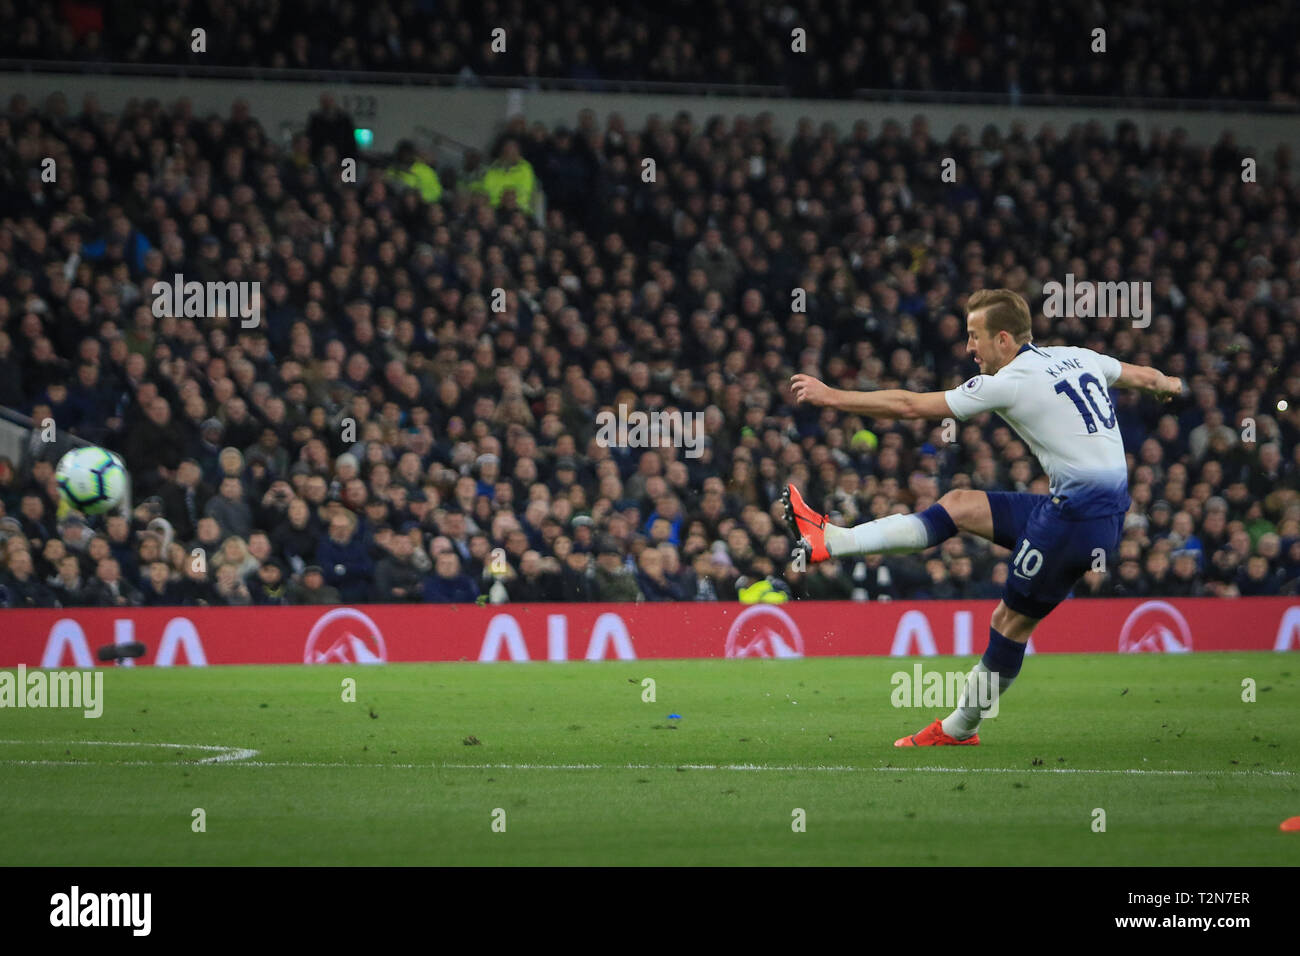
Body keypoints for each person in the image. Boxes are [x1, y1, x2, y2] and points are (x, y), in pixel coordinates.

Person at [785, 289, 1184, 746]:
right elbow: (1146, 377)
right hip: (1091, 511)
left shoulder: (1009, 381)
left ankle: (960, 728)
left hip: (1077, 519)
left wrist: (832, 397)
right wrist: (1173, 385)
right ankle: (832, 540)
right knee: (960, 505)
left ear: (1003, 338)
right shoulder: (1078, 356)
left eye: (974, 337)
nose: (968, 347)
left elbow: (910, 406)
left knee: (1009, 623)